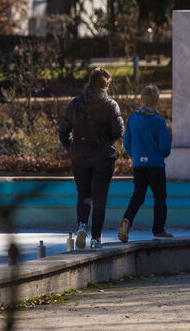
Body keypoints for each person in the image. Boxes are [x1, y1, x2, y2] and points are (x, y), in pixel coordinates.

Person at [58, 66, 123, 249]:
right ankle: (96, 239)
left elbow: (63, 131)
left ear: (89, 82)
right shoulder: (110, 105)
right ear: (106, 85)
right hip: (103, 157)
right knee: (100, 198)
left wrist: (72, 148)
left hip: (80, 156)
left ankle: (82, 226)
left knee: (83, 195)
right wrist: (105, 141)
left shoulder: (75, 104)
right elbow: (118, 131)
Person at [118, 84, 173, 241]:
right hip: (155, 166)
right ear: (156, 102)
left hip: (139, 166)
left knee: (138, 196)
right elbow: (165, 147)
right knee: (160, 197)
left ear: (142, 99)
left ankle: (127, 219)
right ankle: (158, 230)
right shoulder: (158, 121)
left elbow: (126, 142)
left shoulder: (133, 119)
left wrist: (136, 155)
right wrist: (160, 154)